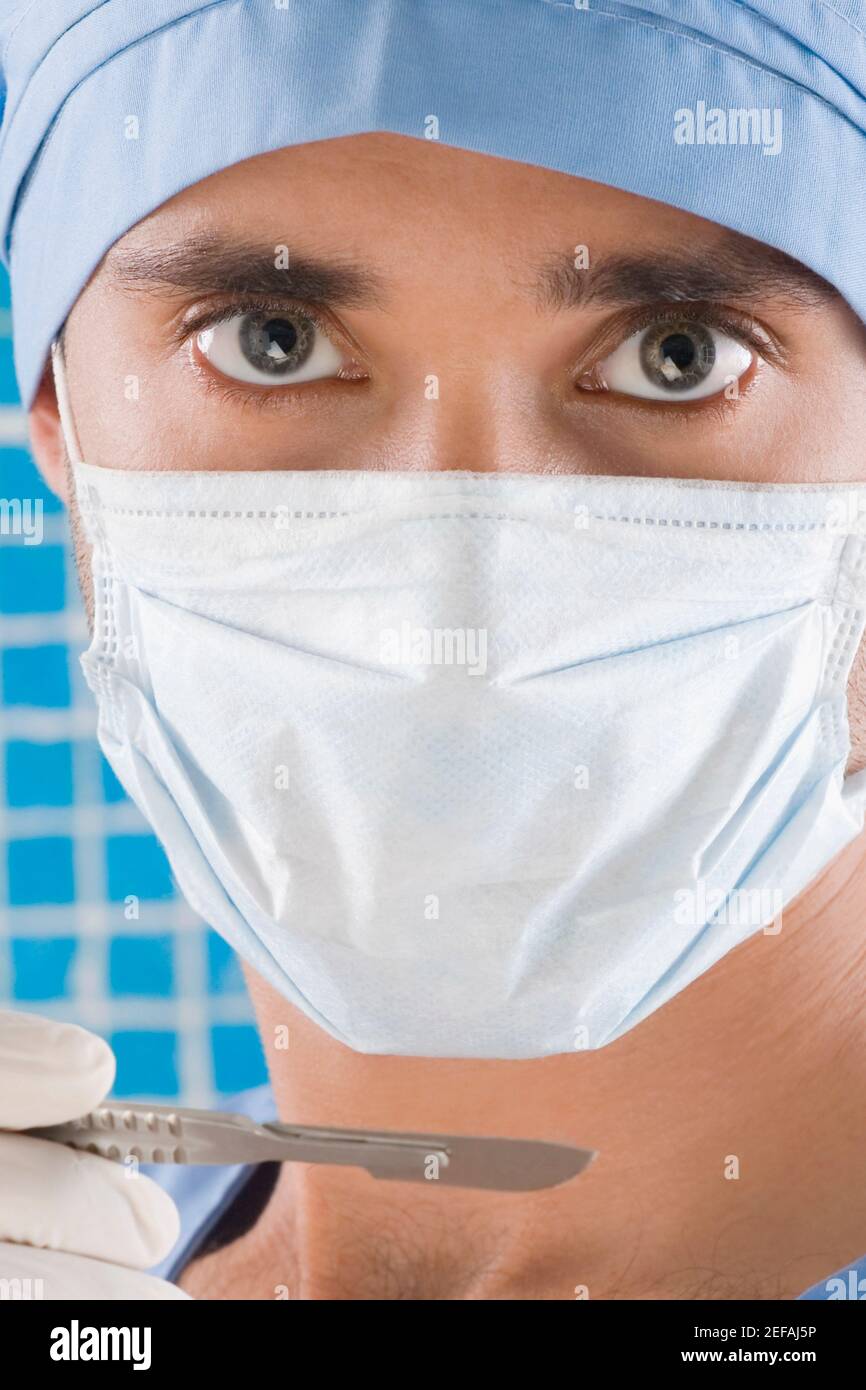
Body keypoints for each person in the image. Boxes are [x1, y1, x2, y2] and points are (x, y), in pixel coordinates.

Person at [1, 0, 866, 1302]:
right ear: (65, 432)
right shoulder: (75, 1258)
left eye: (676, 356)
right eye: (268, 341)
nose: (454, 598)